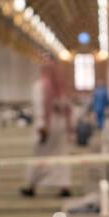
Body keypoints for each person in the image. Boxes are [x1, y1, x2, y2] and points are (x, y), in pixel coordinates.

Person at [20, 58, 72, 197]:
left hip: (46, 127)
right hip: (59, 125)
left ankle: (32, 186)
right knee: (61, 154)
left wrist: (42, 126)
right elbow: (67, 107)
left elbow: (39, 108)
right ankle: (64, 187)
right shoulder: (60, 88)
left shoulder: (40, 86)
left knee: (39, 155)